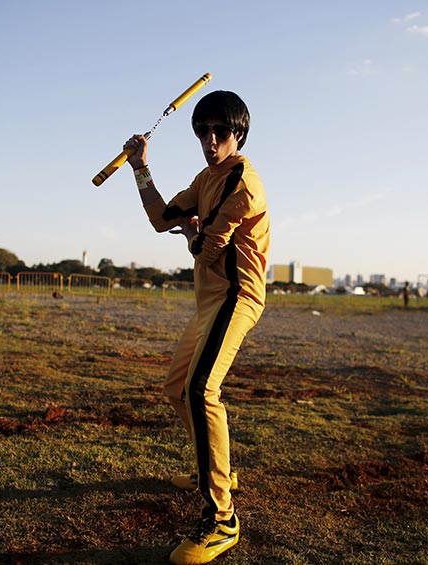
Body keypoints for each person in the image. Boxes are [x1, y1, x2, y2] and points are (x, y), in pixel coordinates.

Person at [123, 90, 269, 565]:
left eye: (219, 132)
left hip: (236, 296)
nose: (209, 140)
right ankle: (216, 469)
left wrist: (191, 233)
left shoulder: (241, 182)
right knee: (175, 388)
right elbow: (159, 218)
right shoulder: (206, 177)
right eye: (202, 131)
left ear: (238, 134)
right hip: (209, 300)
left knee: (202, 388)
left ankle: (223, 519)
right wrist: (140, 167)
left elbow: (206, 250)